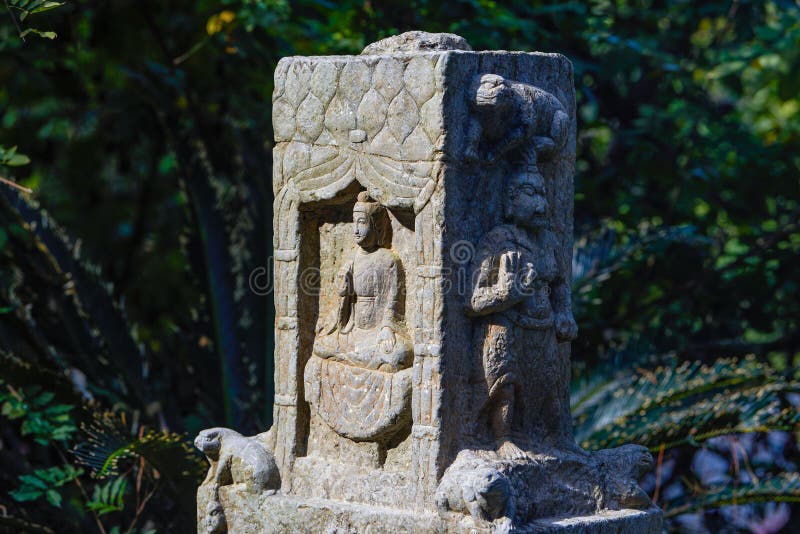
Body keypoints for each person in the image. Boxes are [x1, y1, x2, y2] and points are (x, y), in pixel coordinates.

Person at [467, 163, 578, 459]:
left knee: (551, 387)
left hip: (542, 328)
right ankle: (501, 438)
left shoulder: (548, 241)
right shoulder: (497, 240)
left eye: (542, 193)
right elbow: (472, 300)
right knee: (505, 384)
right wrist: (506, 293)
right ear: (511, 199)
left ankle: (555, 439)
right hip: (507, 326)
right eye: (530, 193)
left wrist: (564, 312)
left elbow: (560, 284)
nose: (541, 203)